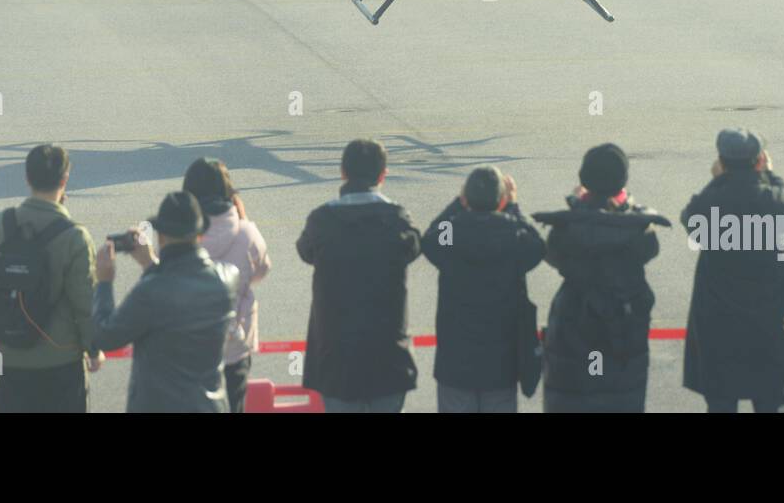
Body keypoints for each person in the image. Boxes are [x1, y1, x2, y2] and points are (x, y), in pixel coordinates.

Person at [534, 144, 670, 413]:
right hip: (622, 350)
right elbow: (648, 246)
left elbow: (552, 252)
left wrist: (580, 205)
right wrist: (623, 206)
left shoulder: (567, 231)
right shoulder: (637, 233)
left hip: (573, 347)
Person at [681, 129, 784, 413]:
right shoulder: (774, 200)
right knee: (771, 401)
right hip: (769, 324)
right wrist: (772, 177)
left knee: (721, 403)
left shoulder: (711, 200)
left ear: (721, 162)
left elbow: (689, 218)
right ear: (760, 160)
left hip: (719, 325)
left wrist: (717, 182)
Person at [297, 138, 420, 413]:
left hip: (337, 355)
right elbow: (418, 247)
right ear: (382, 175)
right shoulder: (397, 219)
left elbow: (305, 252)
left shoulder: (322, 220)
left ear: (343, 172)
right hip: (387, 356)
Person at [93, 191, 240, 413]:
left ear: (160, 237)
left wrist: (104, 282)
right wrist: (152, 265)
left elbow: (106, 336)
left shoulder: (150, 291)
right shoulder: (228, 280)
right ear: (200, 235)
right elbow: (184, 288)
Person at [0, 144, 102, 412]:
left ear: (27, 178)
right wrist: (93, 349)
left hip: (11, 355)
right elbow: (84, 303)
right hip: (59, 360)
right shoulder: (74, 237)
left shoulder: (2, 224)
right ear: (65, 180)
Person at [421, 166, 546, 413]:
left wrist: (457, 204)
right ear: (501, 200)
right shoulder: (514, 236)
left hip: (455, 365)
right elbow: (537, 245)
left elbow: (432, 237)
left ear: (466, 198)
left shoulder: (451, 238)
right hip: (500, 366)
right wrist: (514, 206)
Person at [183, 157, 271, 413]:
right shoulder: (246, 233)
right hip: (234, 343)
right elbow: (262, 270)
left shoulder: (179, 233)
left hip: (189, 344)